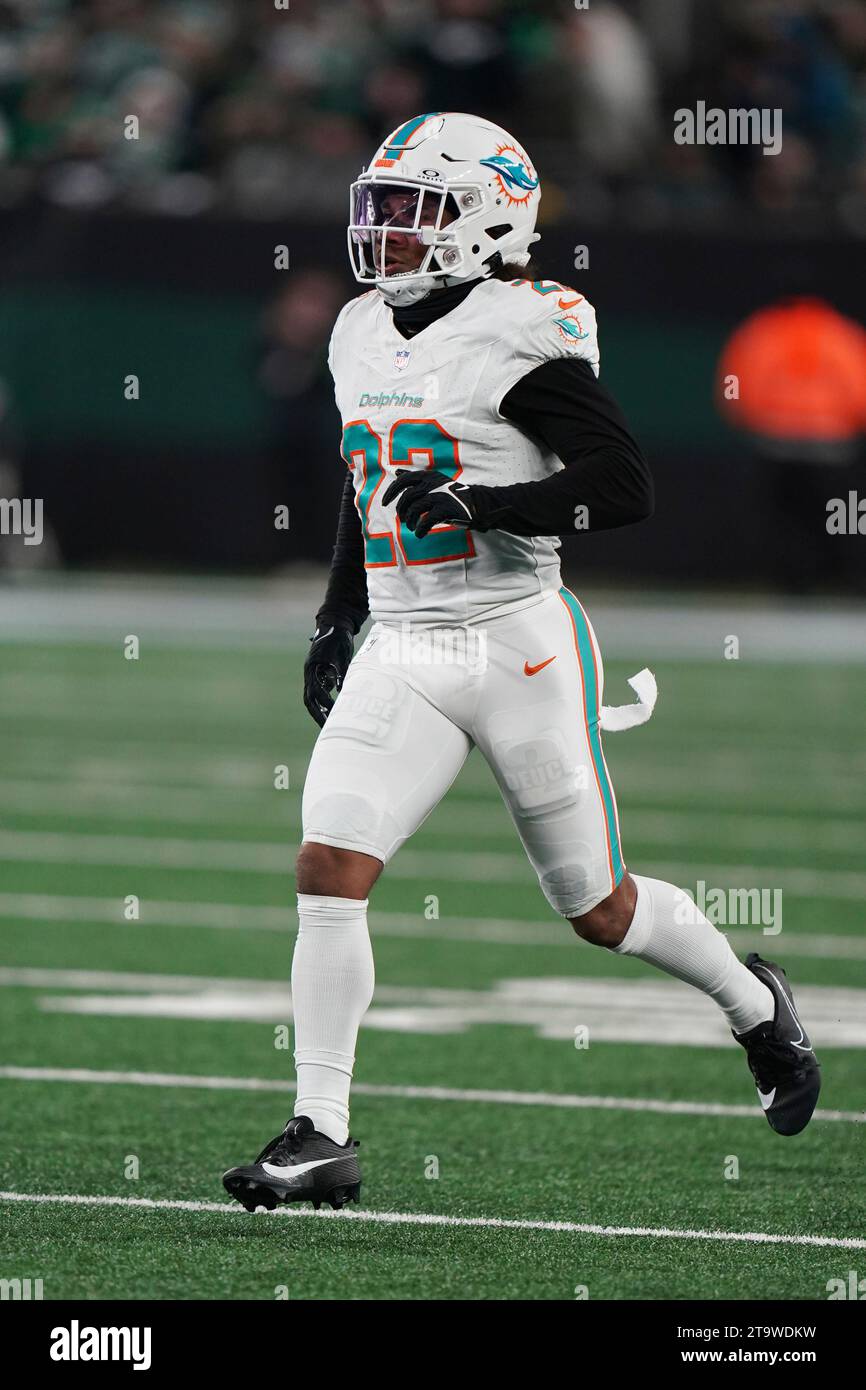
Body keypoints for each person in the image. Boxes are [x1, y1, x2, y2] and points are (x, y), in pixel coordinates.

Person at [223, 113, 820, 1214]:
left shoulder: (518, 330)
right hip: (404, 640)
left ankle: (751, 1003)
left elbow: (622, 483)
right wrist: (334, 614)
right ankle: (321, 1132)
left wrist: (486, 501)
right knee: (327, 868)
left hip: (514, 640)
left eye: (412, 210)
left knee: (594, 906)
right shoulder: (358, 328)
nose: (387, 230)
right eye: (382, 207)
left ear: (484, 215)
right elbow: (372, 494)